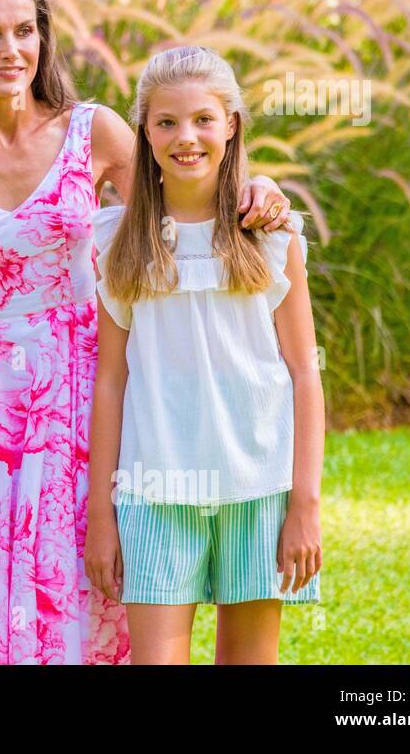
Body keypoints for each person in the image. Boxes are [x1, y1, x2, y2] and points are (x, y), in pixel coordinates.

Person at [0, 0, 294, 664]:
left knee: (82, 589)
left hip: (86, 391)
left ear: (46, 40)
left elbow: (188, 183)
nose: (10, 51)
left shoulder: (93, 132)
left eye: (25, 31)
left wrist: (255, 182)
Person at [85, 45, 323, 665]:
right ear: (144, 132)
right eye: (166, 123)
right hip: (154, 490)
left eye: (203, 120)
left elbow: (304, 373)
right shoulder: (115, 241)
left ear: (232, 125)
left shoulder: (271, 235)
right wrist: (101, 515)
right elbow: (110, 382)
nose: (185, 137)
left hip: (258, 486)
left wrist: (304, 503)